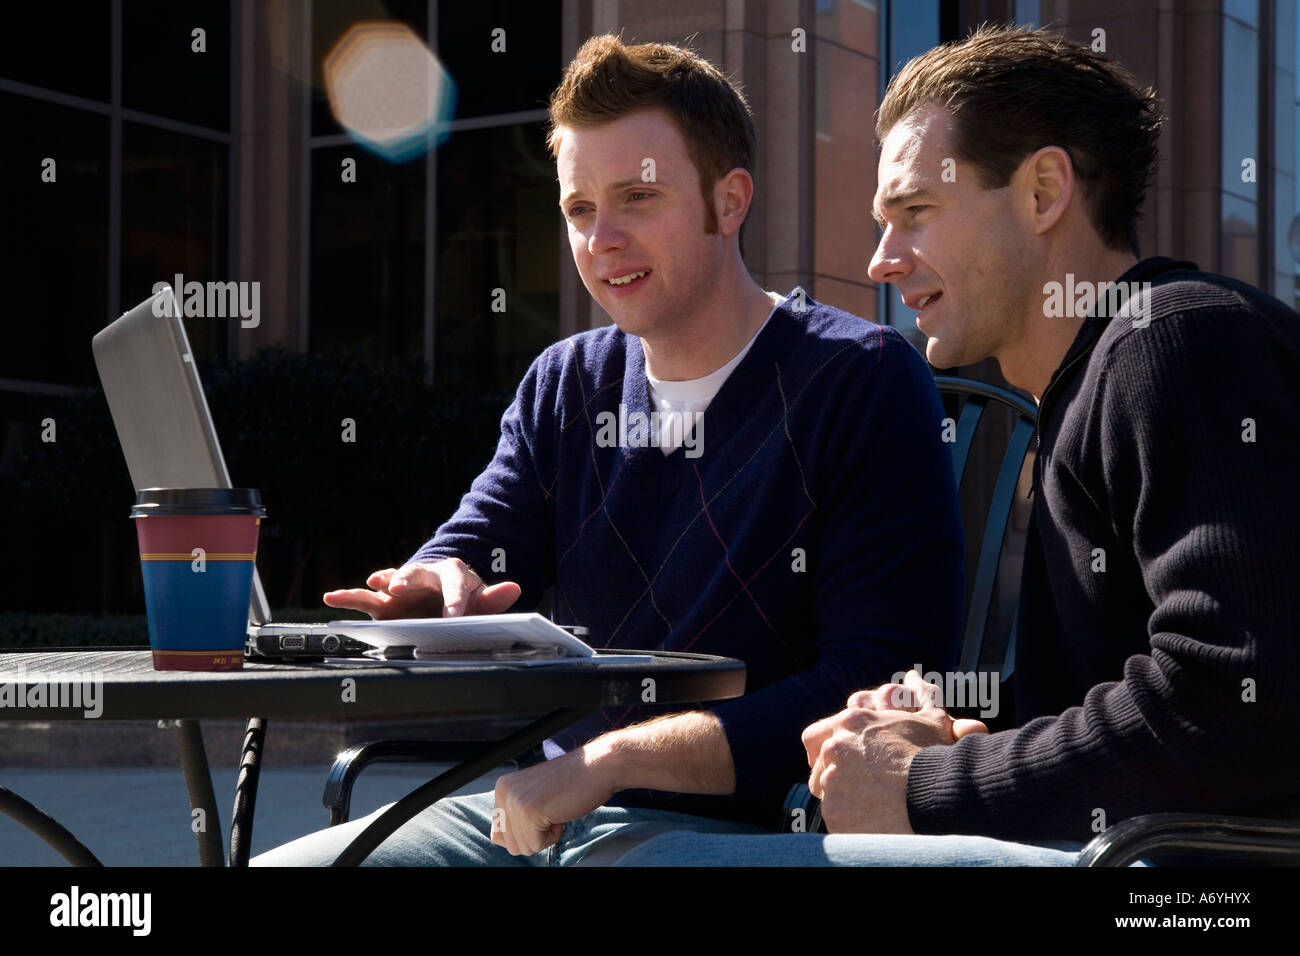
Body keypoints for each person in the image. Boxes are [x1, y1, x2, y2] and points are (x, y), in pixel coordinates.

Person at [252, 34, 964, 866]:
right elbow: (480, 535)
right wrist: (439, 579)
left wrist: (610, 763)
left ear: (730, 202)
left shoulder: (859, 380)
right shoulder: (568, 381)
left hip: (750, 830)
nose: (601, 240)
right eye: (581, 209)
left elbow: (875, 684)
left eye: (637, 198)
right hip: (535, 816)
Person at [609, 23, 1300, 867]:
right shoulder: (1089, 389)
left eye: (915, 213)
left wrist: (925, 785)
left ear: (1043, 191)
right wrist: (929, 735)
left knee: (648, 860)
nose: (881, 262)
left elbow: (1235, 702)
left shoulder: (1177, 342)